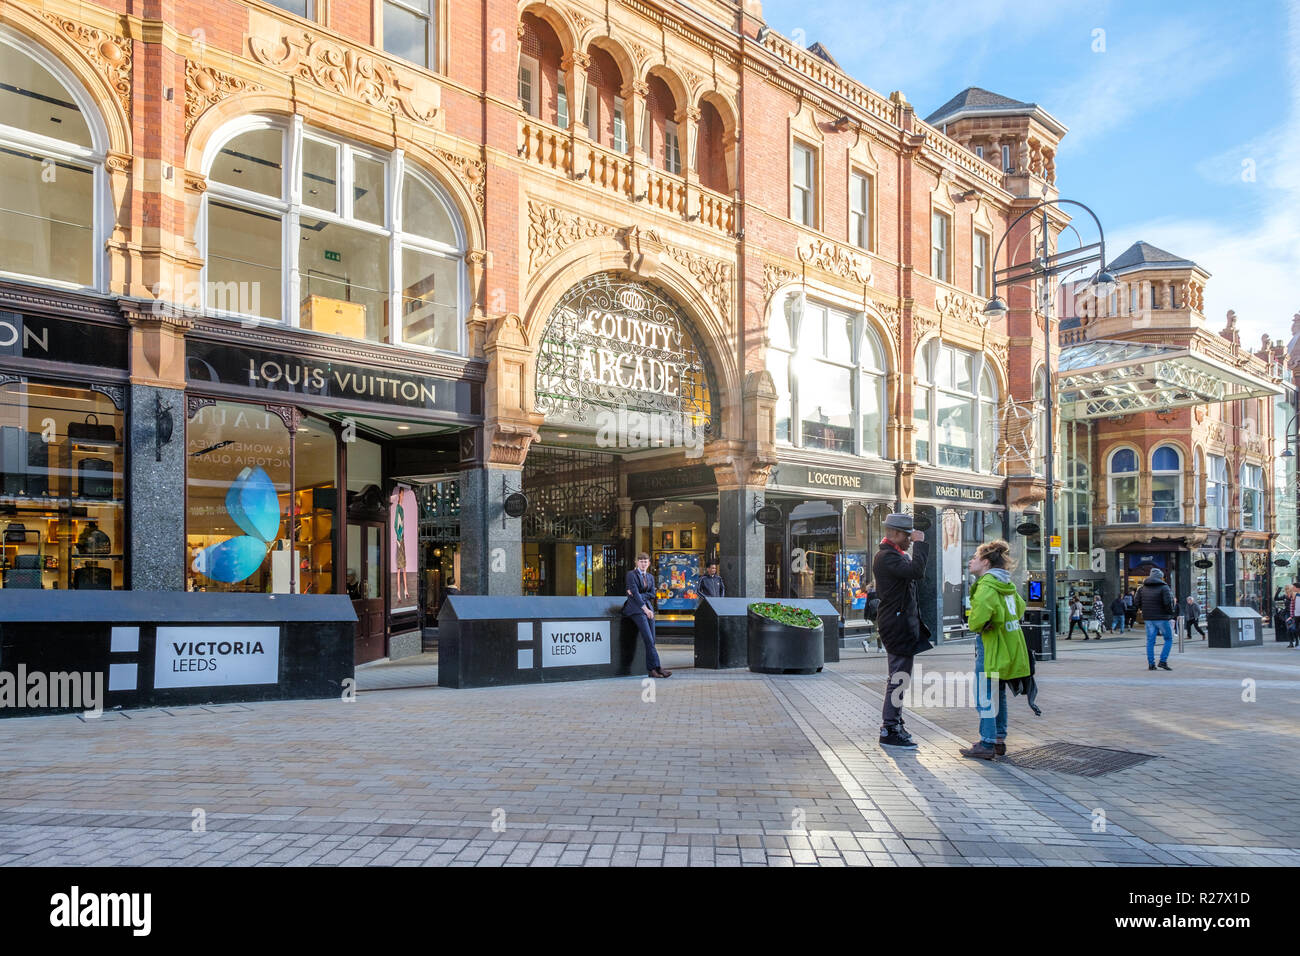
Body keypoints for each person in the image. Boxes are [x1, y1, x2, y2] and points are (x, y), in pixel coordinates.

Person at [959, 540, 1030, 760]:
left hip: (991, 645)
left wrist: (979, 623)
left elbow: (977, 619)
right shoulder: (1006, 584)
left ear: (986, 562)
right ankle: (999, 739)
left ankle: (987, 743)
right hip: (1009, 644)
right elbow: (1019, 608)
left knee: (985, 695)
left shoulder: (986, 585)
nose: (971, 561)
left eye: (975, 557)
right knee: (998, 693)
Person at [872, 513, 932, 748]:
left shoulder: (895, 555)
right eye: (907, 536)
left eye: (911, 537)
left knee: (900, 677)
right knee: (898, 677)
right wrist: (921, 543)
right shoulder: (887, 558)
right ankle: (889, 728)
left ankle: (894, 722)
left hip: (900, 623)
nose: (910, 540)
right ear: (894, 534)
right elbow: (917, 571)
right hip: (896, 625)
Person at [624, 552, 671, 679]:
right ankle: (654, 668)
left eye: (645, 561)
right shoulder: (631, 575)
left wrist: (638, 595)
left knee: (652, 640)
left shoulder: (650, 577)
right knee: (649, 640)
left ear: (649, 563)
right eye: (641, 561)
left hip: (648, 609)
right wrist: (644, 607)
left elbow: (652, 594)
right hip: (636, 609)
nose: (643, 563)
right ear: (636, 562)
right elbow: (634, 592)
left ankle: (655, 668)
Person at [1139, 568, 1176, 670]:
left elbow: (1136, 602)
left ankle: (1151, 664)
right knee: (1168, 639)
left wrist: (1144, 609)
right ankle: (1163, 661)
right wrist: (1171, 614)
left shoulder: (1142, 588)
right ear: (1160, 577)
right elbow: (1168, 603)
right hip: (1162, 618)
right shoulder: (1164, 587)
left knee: (1150, 641)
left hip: (1148, 618)